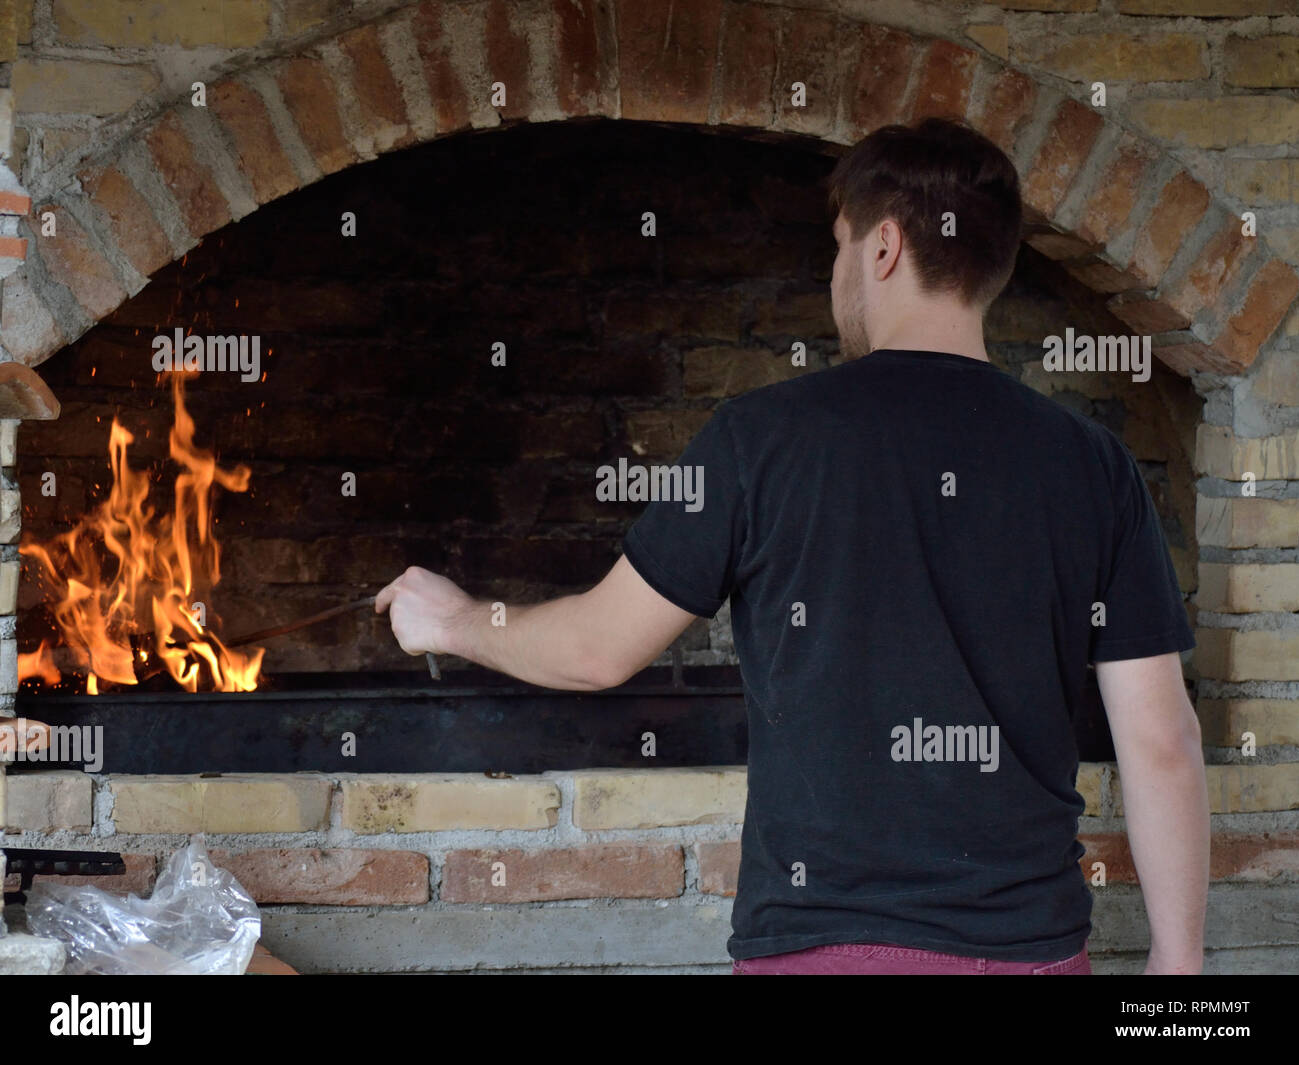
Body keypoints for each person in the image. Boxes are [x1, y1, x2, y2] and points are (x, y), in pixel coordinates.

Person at [377, 116, 1209, 976]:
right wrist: (1178, 974)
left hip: (823, 951)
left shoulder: (761, 439)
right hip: (1029, 953)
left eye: (841, 245)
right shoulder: (1092, 464)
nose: (837, 272)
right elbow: (1161, 741)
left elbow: (597, 649)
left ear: (884, 246)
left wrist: (457, 620)